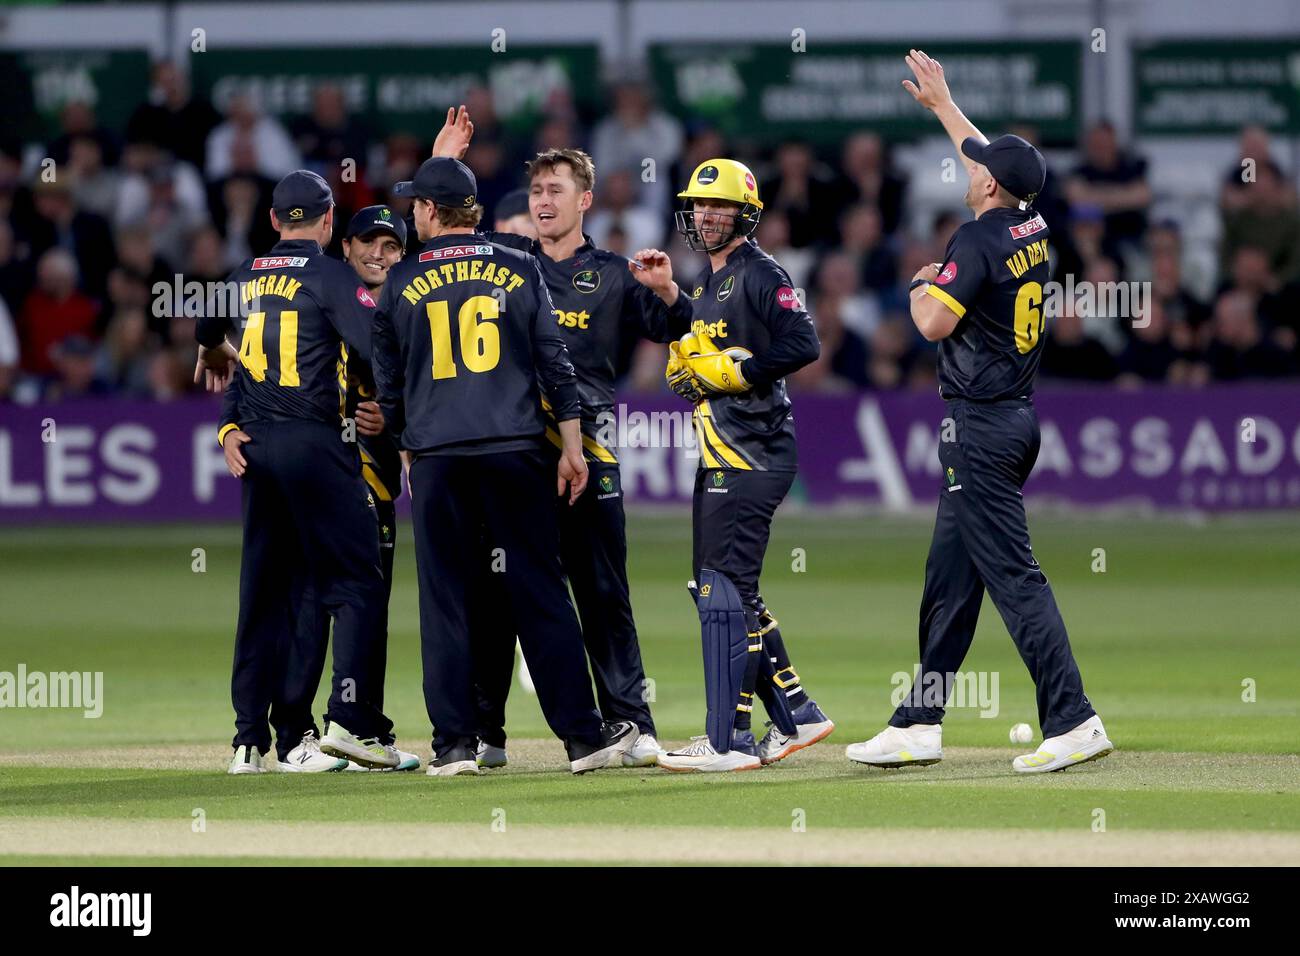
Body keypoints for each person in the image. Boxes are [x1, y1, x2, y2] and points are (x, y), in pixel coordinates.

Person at [846, 49, 1112, 774]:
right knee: (949, 584)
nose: (968, 169)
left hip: (982, 427)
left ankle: (1074, 718)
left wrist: (921, 284)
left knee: (1014, 578)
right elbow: (981, 152)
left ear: (989, 185)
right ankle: (919, 723)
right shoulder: (1033, 228)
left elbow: (931, 325)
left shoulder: (978, 238)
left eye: (977, 167)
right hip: (1011, 419)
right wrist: (943, 104)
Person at [370, 156, 638, 776]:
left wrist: (410, 452)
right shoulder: (519, 264)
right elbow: (554, 361)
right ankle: (582, 738)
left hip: (440, 458)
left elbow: (390, 388)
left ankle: (456, 745)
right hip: (517, 451)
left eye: (417, 205)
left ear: (433, 213)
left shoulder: (403, 278)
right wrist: (571, 446)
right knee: (541, 590)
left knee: (444, 599)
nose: (412, 213)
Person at [469, 147, 694, 770]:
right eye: (536, 189)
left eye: (555, 190)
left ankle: (630, 723)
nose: (542, 201)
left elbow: (679, 326)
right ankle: (484, 733)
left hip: (589, 450)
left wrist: (669, 289)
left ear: (584, 200)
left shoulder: (616, 273)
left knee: (602, 592)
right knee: (495, 595)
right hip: (511, 451)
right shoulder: (505, 266)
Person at [197, 169, 398, 774]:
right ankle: (349, 726)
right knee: (357, 583)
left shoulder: (243, 276)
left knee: (262, 592)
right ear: (329, 220)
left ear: (274, 220)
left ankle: (246, 741)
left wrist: (213, 352)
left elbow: (208, 323)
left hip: (258, 451)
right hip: (316, 443)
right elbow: (372, 347)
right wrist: (395, 406)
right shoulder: (332, 277)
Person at [650, 156, 833, 773]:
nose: (706, 215)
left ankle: (728, 739)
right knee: (730, 591)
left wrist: (738, 372)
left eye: (719, 205)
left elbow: (803, 342)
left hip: (751, 452)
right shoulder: (707, 282)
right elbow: (697, 347)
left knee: (721, 591)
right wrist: (686, 348)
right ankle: (798, 714)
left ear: (745, 214)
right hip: (726, 449)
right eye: (700, 205)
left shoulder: (760, 271)